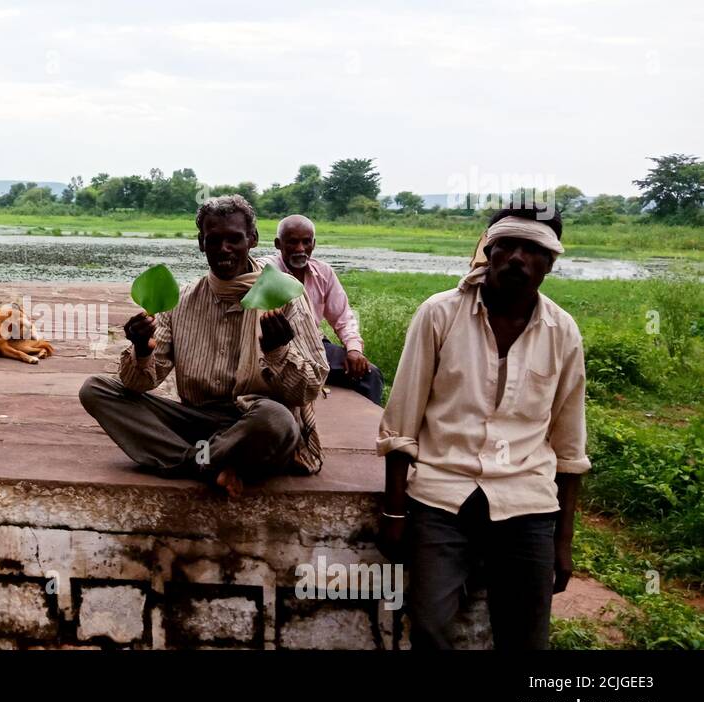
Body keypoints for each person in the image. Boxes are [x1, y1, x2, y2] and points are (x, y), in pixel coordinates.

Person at [377, 206, 589, 650]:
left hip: (526, 502)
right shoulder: (440, 314)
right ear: (487, 252)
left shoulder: (562, 332)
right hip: (441, 497)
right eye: (506, 246)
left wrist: (562, 543)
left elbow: (569, 448)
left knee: (526, 637)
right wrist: (395, 514)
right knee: (431, 628)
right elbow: (401, 421)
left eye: (532, 250)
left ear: (550, 263)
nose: (517, 258)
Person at [79, 195, 329, 498]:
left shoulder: (284, 295)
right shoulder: (181, 302)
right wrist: (142, 350)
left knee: (276, 419)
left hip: (255, 426)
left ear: (252, 239)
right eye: (214, 240)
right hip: (198, 421)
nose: (224, 249)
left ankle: (191, 459)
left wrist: (279, 353)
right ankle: (207, 463)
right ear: (201, 243)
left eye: (234, 239)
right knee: (95, 390)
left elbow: (309, 389)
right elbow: (138, 384)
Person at [265, 214, 383, 405]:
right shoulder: (266, 270)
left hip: (315, 345)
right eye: (292, 242)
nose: (300, 249)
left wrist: (354, 350)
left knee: (369, 374)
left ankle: (374, 431)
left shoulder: (324, 273)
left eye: (306, 242)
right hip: (277, 348)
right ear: (278, 244)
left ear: (314, 243)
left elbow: (343, 317)